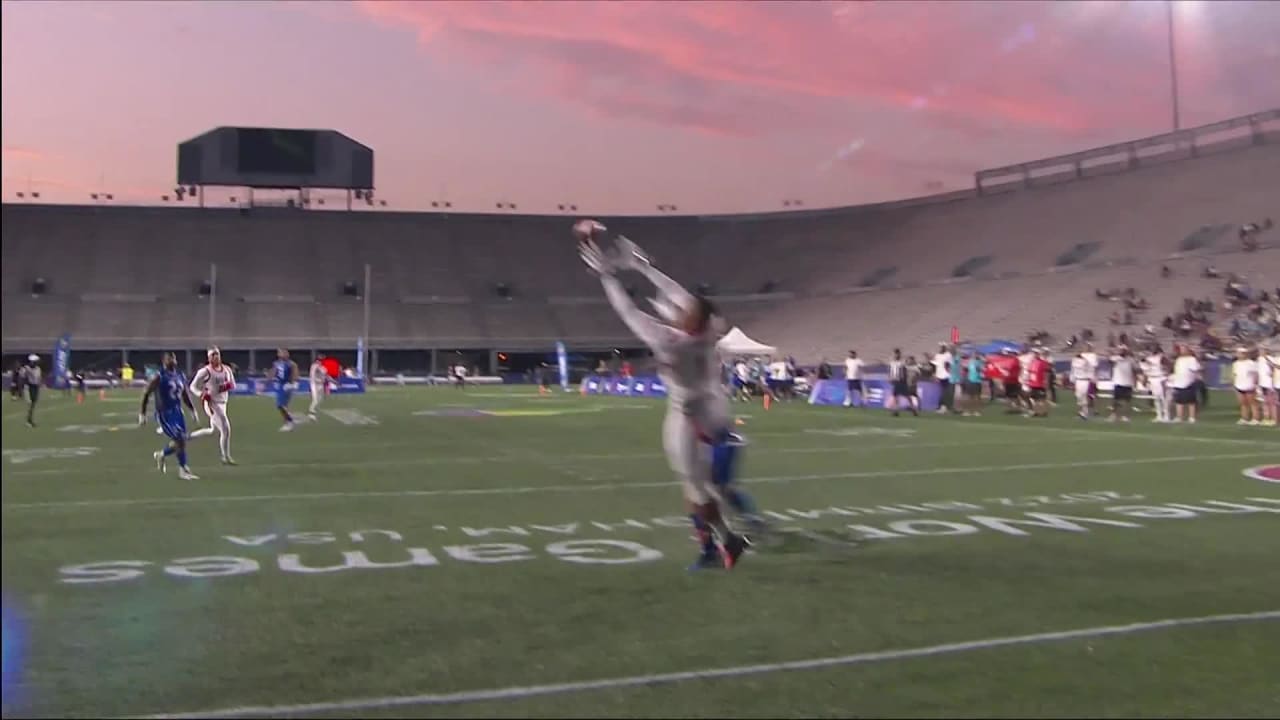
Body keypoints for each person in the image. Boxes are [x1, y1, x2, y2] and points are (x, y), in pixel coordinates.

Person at [577, 223, 750, 570]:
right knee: (695, 487)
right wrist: (643, 267)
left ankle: (724, 540)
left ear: (692, 320)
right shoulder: (706, 332)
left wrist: (608, 276)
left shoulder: (671, 340)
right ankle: (719, 541)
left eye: (686, 311)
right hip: (711, 409)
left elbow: (628, 311)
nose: (679, 308)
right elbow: (680, 296)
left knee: (696, 488)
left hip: (687, 415)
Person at [140, 352, 199, 480]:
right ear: (163, 361)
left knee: (181, 441)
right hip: (164, 413)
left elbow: (185, 394)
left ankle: (162, 454)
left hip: (178, 412)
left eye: (173, 358)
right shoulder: (159, 376)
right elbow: (146, 393)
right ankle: (182, 469)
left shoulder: (179, 376)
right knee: (180, 439)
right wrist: (142, 414)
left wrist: (192, 410)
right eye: (169, 358)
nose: (172, 360)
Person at [189, 347, 237, 464]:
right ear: (208, 357)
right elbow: (192, 386)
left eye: (217, 354)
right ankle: (225, 457)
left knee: (214, 431)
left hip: (223, 402)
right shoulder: (205, 371)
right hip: (211, 404)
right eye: (212, 355)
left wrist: (224, 387)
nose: (215, 357)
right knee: (226, 428)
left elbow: (233, 384)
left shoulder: (226, 369)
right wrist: (201, 394)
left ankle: (188, 436)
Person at [1170, 345, 1201, 424]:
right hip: (1178, 383)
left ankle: (1192, 417)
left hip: (1189, 383)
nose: (1182, 351)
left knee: (1191, 401)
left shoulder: (1192, 359)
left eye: (1184, 349)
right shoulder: (1178, 360)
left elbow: (1196, 369)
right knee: (1179, 401)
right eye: (1181, 349)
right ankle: (1179, 417)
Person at [270, 349, 299, 431]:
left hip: (287, 385)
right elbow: (272, 374)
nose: (281, 354)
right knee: (282, 406)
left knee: (281, 405)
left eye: (284, 352)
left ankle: (289, 422)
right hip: (280, 385)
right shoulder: (276, 363)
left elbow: (295, 373)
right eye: (280, 353)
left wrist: (293, 383)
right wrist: (265, 384)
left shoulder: (291, 364)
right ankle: (288, 422)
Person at [1231, 348, 1260, 426]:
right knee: (1242, 403)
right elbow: (1234, 374)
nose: (1239, 354)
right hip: (1239, 385)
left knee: (1252, 403)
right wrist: (1233, 384)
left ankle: (1255, 418)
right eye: (1239, 353)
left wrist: (1255, 385)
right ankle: (1244, 418)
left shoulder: (1251, 363)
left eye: (1242, 353)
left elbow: (1256, 375)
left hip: (1249, 386)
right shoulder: (1236, 363)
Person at [1142, 347, 1170, 423]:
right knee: (1156, 398)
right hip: (1153, 379)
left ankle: (1166, 416)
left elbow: (1167, 366)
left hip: (1160, 378)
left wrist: (1166, 373)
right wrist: (1145, 380)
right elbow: (1146, 370)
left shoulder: (1160, 358)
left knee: (1163, 398)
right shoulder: (1148, 359)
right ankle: (1159, 416)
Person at [1109, 348, 1136, 422]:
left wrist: (1134, 382)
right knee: (1115, 400)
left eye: (1124, 351)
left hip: (1128, 383)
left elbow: (1134, 370)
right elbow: (1110, 360)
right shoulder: (1116, 358)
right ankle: (1114, 415)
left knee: (1127, 401)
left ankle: (1126, 416)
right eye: (1121, 351)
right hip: (1118, 382)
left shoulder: (1131, 360)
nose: (1122, 352)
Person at [20, 354, 42, 427]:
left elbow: (38, 378)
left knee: (33, 404)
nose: (36, 363)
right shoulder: (25, 369)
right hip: (28, 387)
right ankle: (28, 421)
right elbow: (22, 378)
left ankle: (30, 420)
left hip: (35, 387)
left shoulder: (38, 368)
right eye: (35, 362)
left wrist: (39, 386)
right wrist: (21, 389)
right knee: (29, 404)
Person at [1071, 351, 1092, 420]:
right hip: (1078, 380)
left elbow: (1085, 366)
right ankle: (1081, 412)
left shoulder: (1085, 362)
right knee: (1078, 396)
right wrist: (1072, 381)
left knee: (1083, 396)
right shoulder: (1074, 361)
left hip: (1084, 380)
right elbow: (1073, 371)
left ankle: (1085, 413)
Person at [308, 354, 330, 420]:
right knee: (315, 400)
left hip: (321, 384)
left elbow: (327, 376)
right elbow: (312, 375)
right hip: (314, 384)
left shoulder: (323, 368)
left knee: (320, 399)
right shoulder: (314, 366)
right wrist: (316, 380)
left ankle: (314, 410)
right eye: (320, 360)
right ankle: (311, 413)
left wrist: (334, 382)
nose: (321, 361)